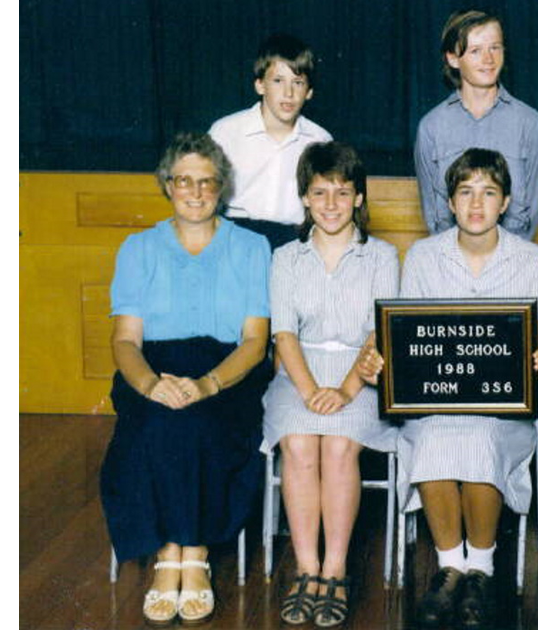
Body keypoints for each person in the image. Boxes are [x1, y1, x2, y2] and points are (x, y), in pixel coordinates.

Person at [359, 149, 538, 629]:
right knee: (432, 438)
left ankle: (482, 570)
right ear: (449, 202)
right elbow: (406, 336)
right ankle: (450, 566)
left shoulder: (533, 260)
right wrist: (378, 358)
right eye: (465, 192)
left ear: (506, 201)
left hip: (503, 409)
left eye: (488, 192)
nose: (476, 204)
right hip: (435, 403)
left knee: (480, 438)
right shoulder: (424, 257)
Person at [99, 132, 272, 626]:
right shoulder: (138, 248)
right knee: (157, 424)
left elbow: (255, 342)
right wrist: (152, 384)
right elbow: (125, 341)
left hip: (227, 370)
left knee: (196, 425)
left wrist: (209, 384)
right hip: (151, 367)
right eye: (184, 181)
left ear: (222, 188)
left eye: (207, 182)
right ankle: (171, 554)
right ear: (167, 186)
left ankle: (187, 554)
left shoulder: (251, 247)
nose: (195, 192)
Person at [262, 142, 400, 627]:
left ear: (360, 198)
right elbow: (283, 334)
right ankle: (306, 569)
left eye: (343, 192)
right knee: (298, 443)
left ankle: (336, 570)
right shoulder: (285, 258)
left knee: (340, 445)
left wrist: (344, 389)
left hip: (360, 374)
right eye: (320, 192)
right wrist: (307, 391)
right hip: (297, 372)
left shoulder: (382, 256)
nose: (331, 204)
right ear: (304, 198)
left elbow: (378, 332)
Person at [414, 9, 538, 239]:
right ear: (452, 58)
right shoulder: (431, 126)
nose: (489, 60)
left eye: (495, 47)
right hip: (451, 263)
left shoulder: (529, 122)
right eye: (476, 51)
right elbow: (433, 214)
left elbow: (535, 208)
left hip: (513, 260)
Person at [209, 33, 332, 251]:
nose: (288, 93)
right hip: (235, 238)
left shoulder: (320, 140)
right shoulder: (225, 133)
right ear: (260, 85)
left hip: (295, 241)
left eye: (298, 82)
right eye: (278, 81)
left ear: (309, 92)